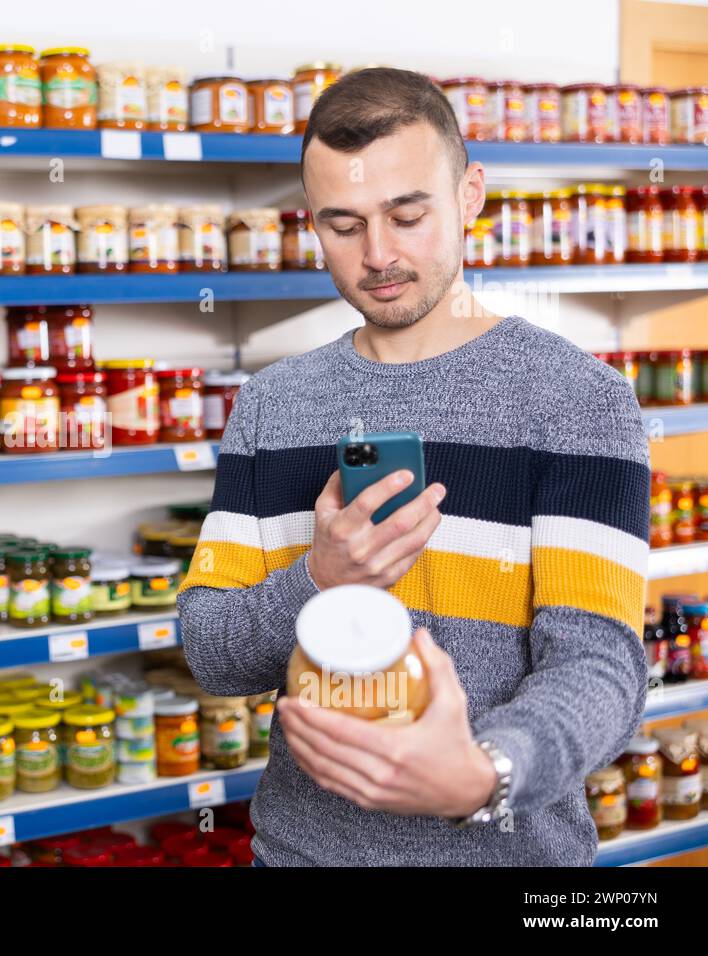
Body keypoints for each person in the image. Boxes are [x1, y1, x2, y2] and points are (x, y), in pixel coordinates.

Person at [177, 67, 649, 866]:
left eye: (407, 214)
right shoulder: (272, 406)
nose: (380, 254)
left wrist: (482, 774)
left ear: (470, 194)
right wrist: (319, 580)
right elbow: (213, 653)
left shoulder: (579, 402)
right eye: (344, 224)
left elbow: (601, 667)